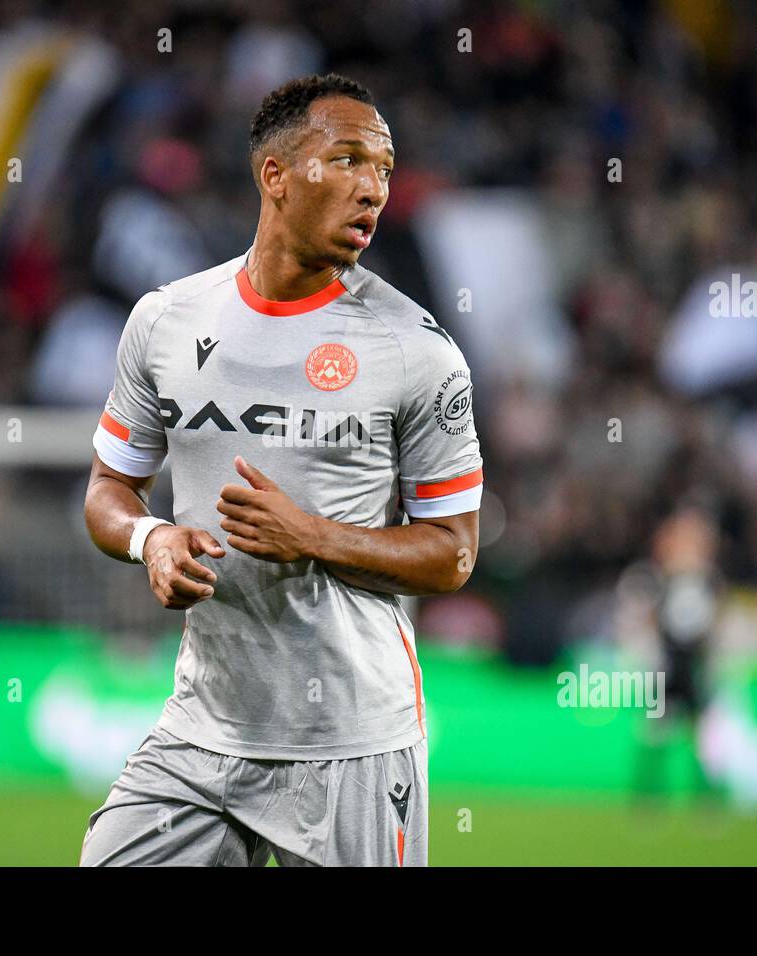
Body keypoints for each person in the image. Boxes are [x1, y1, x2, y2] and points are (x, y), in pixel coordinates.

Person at [79, 73, 483, 866]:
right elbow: (109, 490)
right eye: (349, 160)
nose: (373, 189)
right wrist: (151, 540)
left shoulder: (417, 351)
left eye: (384, 169)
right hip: (201, 730)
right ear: (276, 174)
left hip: (353, 744)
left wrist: (315, 537)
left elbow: (454, 552)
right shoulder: (166, 321)